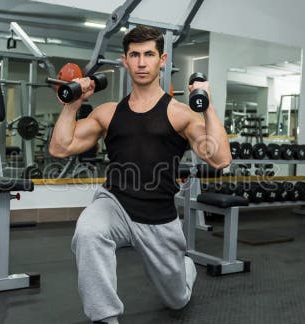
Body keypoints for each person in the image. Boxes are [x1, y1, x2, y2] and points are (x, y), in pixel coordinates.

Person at [49, 25, 232, 324]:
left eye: (149, 54)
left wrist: (207, 107)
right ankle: (105, 318)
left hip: (159, 218)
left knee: (177, 300)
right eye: (135, 55)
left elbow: (221, 158)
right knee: (88, 231)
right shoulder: (108, 112)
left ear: (162, 60)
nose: (142, 62)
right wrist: (73, 106)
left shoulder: (180, 113)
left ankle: (186, 268)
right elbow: (60, 148)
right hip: (115, 204)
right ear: (125, 60)